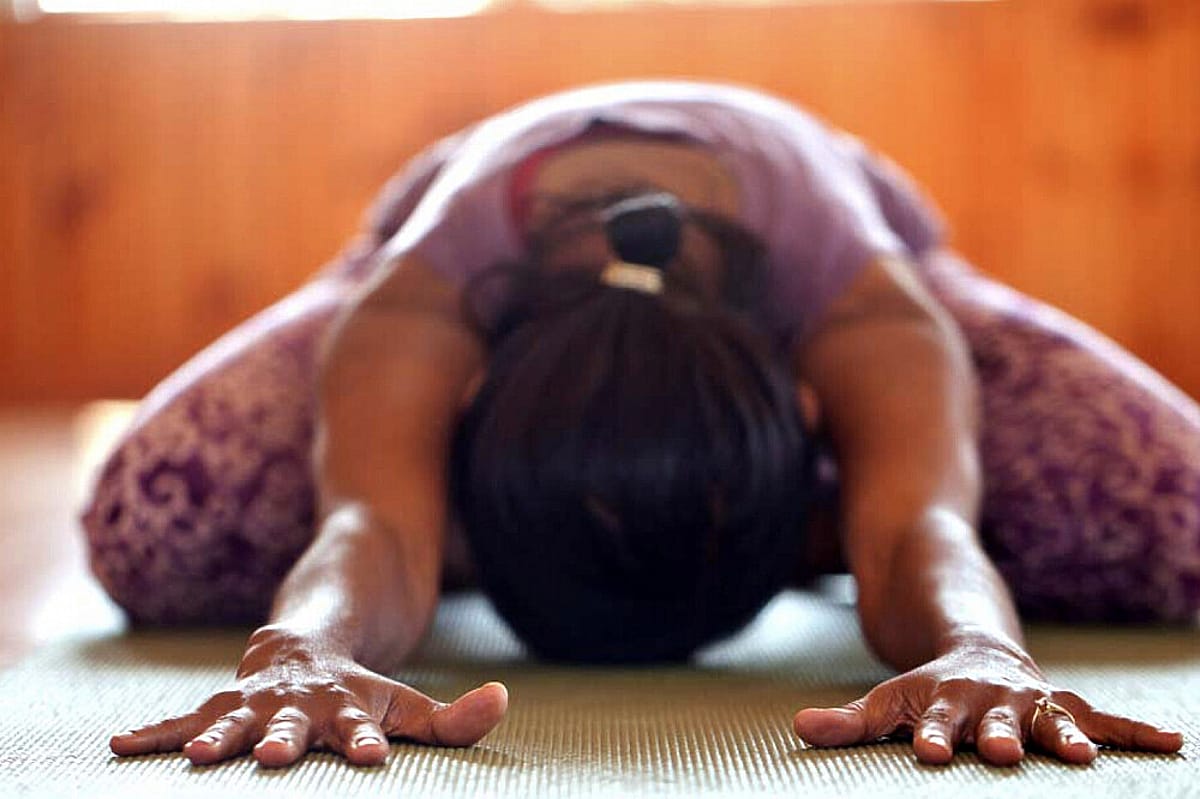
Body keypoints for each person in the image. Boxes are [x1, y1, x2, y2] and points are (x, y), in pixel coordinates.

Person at [91, 81, 1195, 771]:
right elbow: (372, 513)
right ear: (466, 404)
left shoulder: (859, 295)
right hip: (423, 282)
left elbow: (916, 526)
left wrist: (980, 647)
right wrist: (305, 649)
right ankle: (521, 524)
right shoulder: (424, 291)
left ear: (808, 411)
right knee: (157, 527)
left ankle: (693, 525)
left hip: (874, 283)